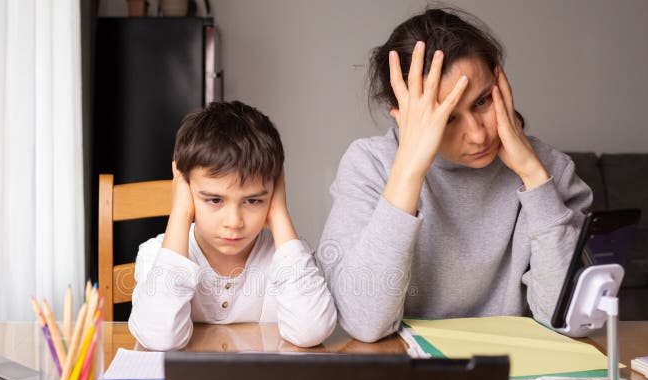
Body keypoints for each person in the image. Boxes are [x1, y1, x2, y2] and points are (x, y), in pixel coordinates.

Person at [319, 7, 592, 343]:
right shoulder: (369, 166)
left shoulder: (550, 170)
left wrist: (534, 177)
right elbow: (365, 322)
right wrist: (409, 169)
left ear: (500, 82)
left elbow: (563, 319)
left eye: (482, 101)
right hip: (404, 376)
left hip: (515, 378)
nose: (477, 135)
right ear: (403, 118)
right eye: (447, 118)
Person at [129, 101, 337, 350]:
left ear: (274, 190)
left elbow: (312, 331)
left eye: (253, 200)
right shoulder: (158, 254)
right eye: (215, 200)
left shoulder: (288, 255)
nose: (234, 223)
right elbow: (160, 339)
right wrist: (181, 211)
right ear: (183, 184)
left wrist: (279, 212)